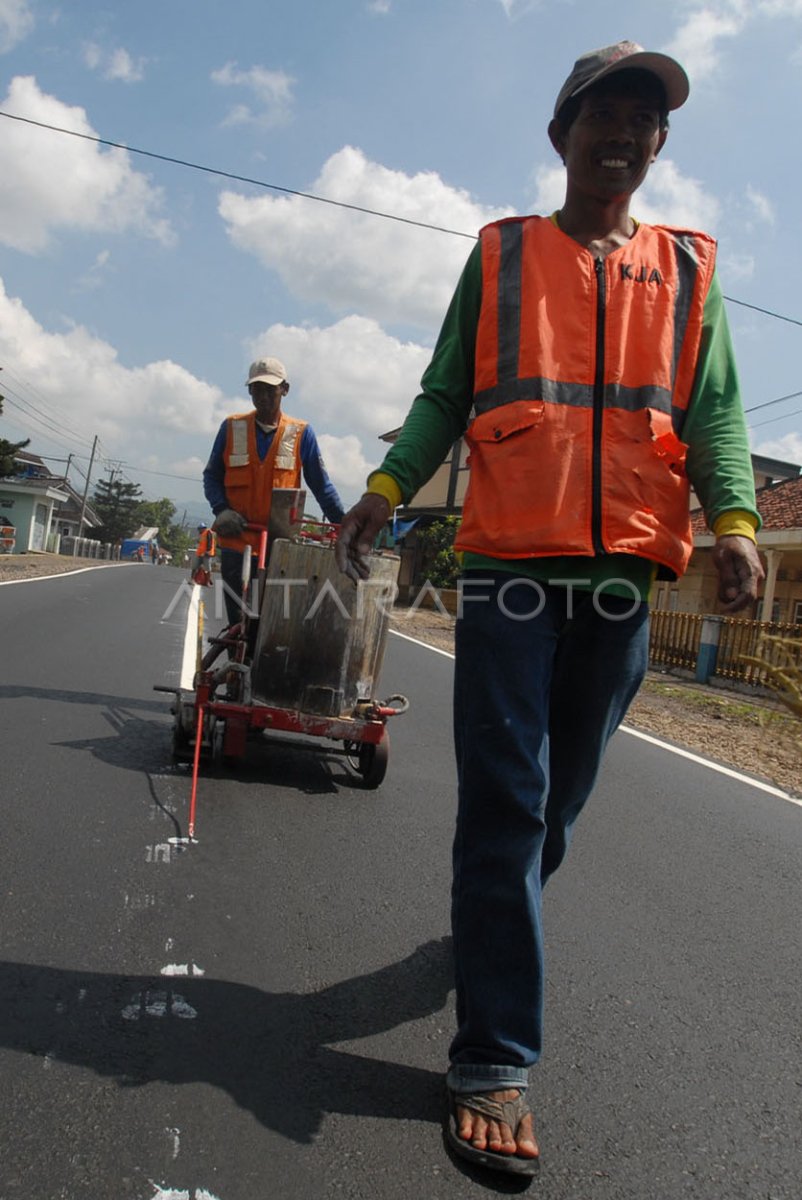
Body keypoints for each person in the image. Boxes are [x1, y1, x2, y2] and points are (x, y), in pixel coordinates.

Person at [336, 40, 764, 1175]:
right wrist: (384, 491)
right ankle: (493, 1055)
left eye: (644, 119)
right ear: (560, 134)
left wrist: (733, 523)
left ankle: (492, 928)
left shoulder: (688, 272)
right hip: (510, 576)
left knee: (555, 809)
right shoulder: (502, 255)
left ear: (659, 145)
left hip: (623, 580)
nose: (623, 134)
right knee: (507, 803)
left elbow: (715, 413)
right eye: (601, 115)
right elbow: (445, 392)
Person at [203, 356, 345, 627]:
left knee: (269, 621)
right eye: (257, 389)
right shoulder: (232, 427)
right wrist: (221, 510)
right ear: (249, 391)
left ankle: (257, 662)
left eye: (271, 389)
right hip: (237, 538)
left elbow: (322, 486)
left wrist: (344, 525)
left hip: (278, 544)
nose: (263, 396)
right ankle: (235, 659)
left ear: (285, 389)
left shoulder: (301, 433)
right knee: (237, 620)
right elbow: (212, 476)